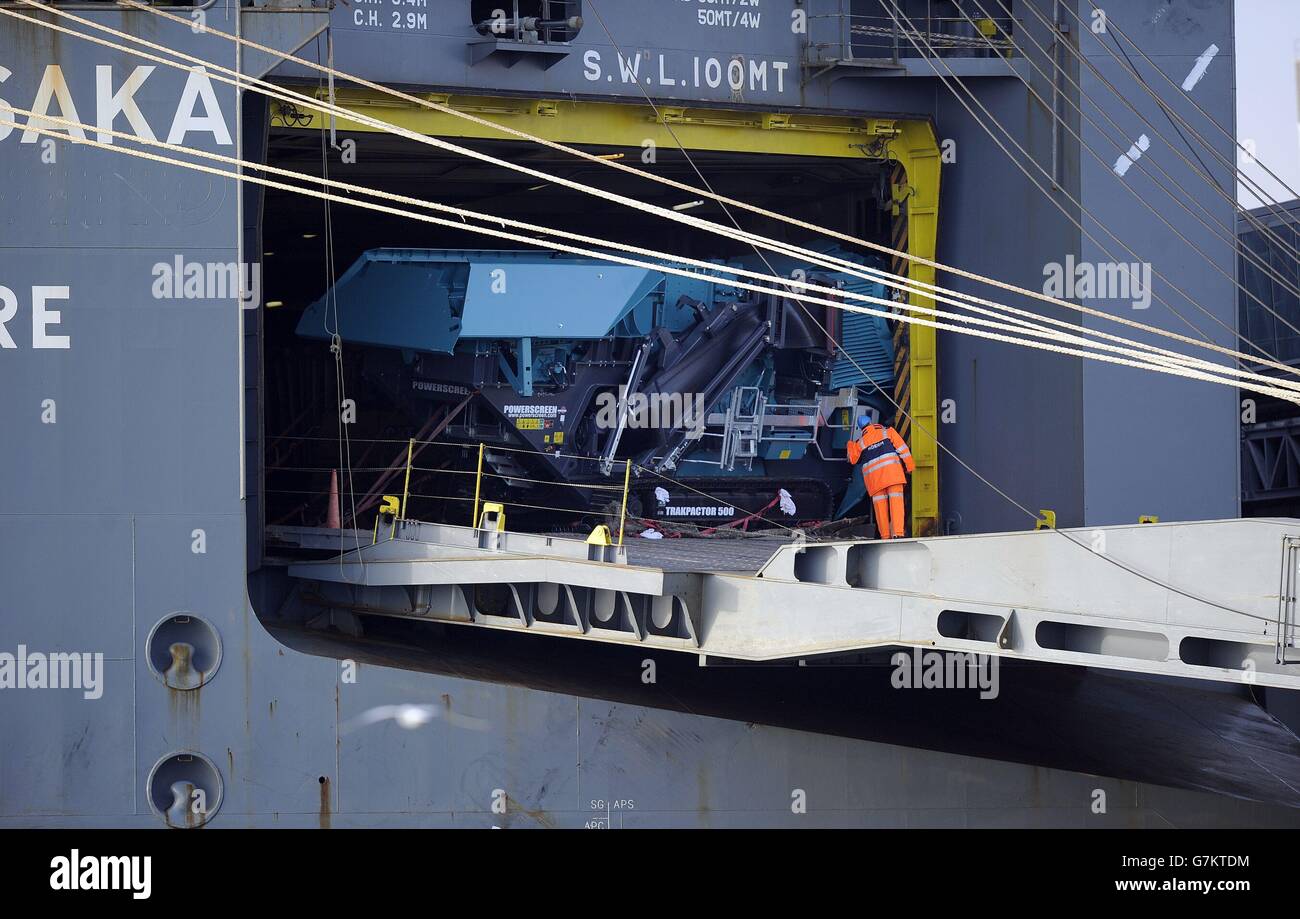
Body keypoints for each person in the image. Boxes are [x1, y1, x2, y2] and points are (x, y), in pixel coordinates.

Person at [846, 413, 914, 539]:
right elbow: (903, 449)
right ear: (871, 423)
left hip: (875, 482)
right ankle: (898, 533)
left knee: (880, 509)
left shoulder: (860, 443)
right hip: (893, 476)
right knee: (896, 504)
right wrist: (910, 467)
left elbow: (852, 459)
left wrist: (850, 444)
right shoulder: (887, 432)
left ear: (861, 429)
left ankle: (885, 535)